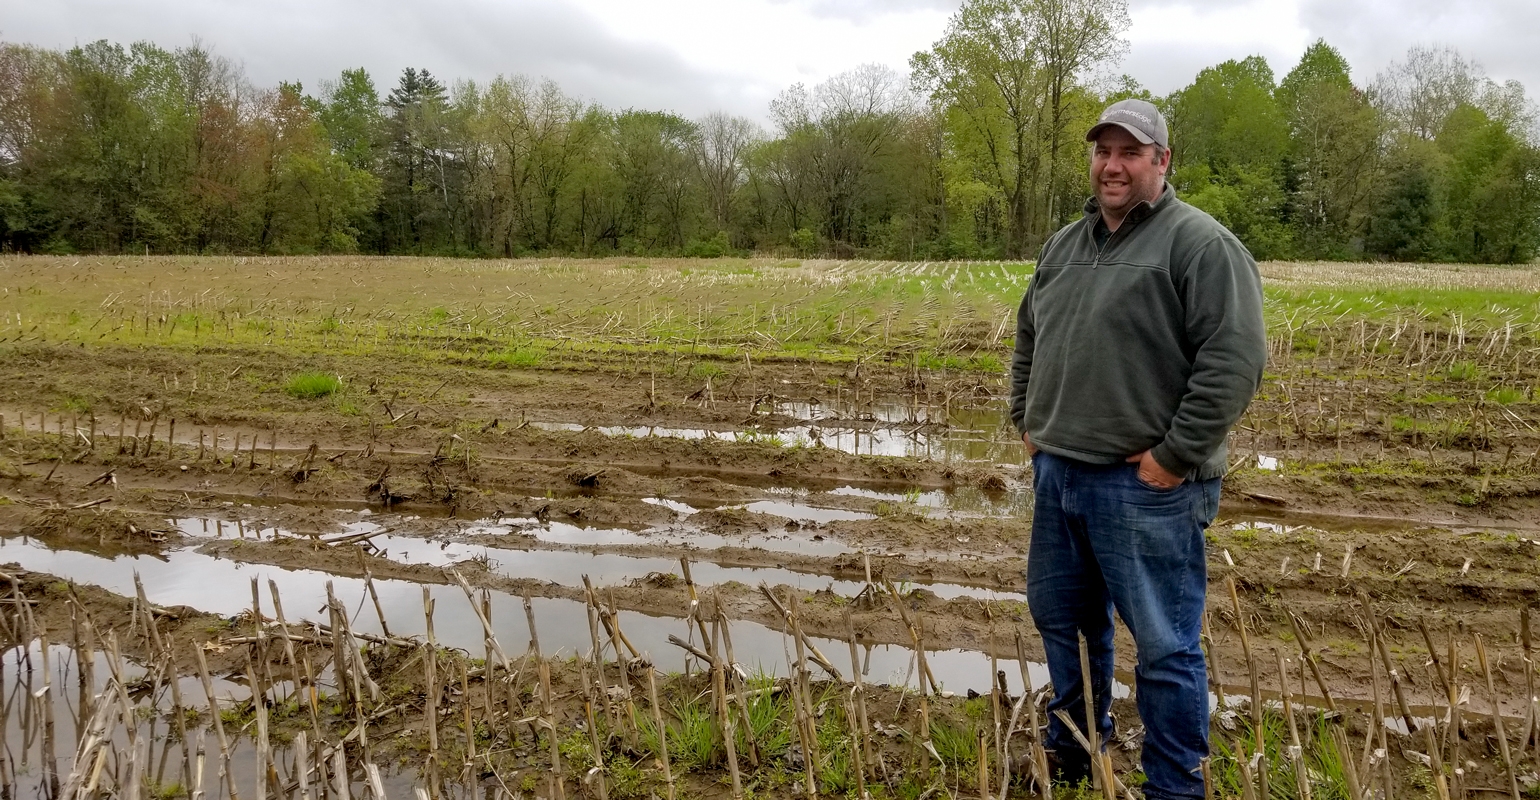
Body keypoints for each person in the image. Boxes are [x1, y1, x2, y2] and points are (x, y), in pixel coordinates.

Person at [1008, 98, 1267, 798]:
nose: (1112, 165)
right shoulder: (1066, 243)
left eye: (1130, 152)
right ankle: (1076, 742)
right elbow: (1030, 335)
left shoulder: (1200, 244)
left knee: (1162, 644)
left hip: (1145, 488)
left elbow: (1233, 361)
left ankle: (1175, 784)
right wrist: (1027, 421)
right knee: (1063, 621)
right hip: (1059, 472)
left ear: (1162, 161)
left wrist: (1175, 455)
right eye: (1103, 151)